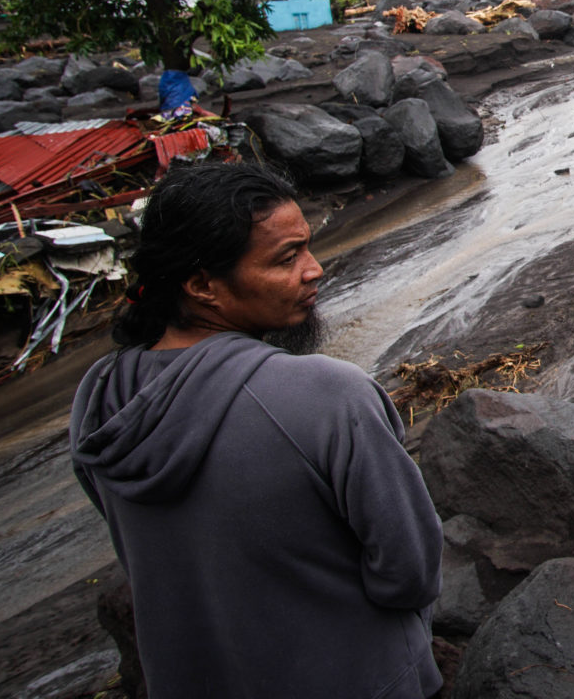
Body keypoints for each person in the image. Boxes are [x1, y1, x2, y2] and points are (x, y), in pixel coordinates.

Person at [70, 164, 443, 699]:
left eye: (307, 248)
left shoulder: (101, 399)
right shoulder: (330, 396)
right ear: (201, 286)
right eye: (286, 258)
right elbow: (410, 570)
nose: (314, 270)